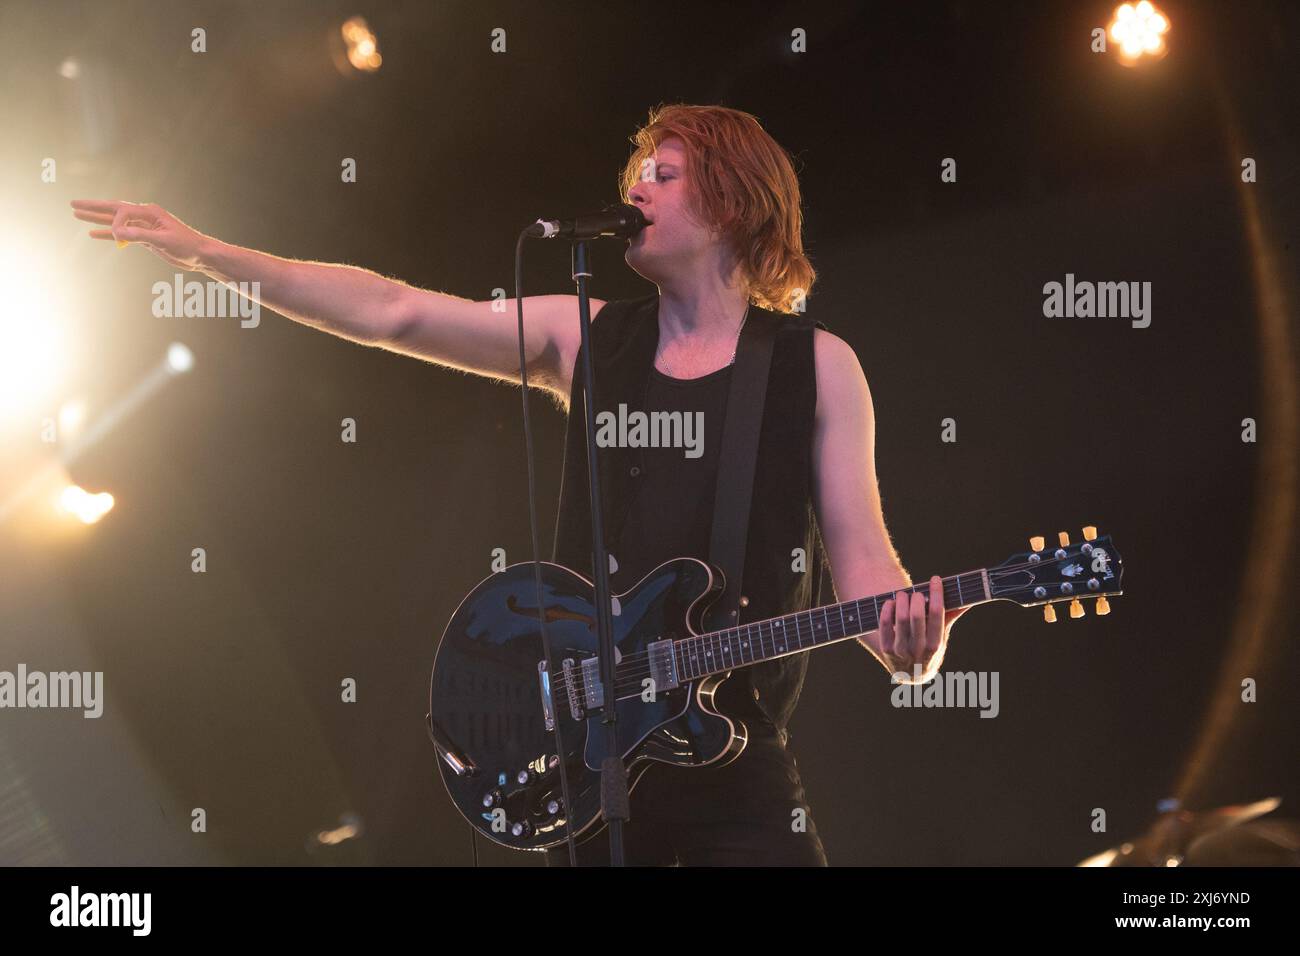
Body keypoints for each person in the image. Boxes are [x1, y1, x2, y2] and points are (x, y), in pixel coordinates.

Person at [71, 103, 968, 866]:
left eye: (663, 173)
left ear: (733, 200)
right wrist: (209, 255)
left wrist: (915, 644)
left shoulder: (818, 368)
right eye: (635, 173)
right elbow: (396, 310)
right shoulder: (585, 337)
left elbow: (867, 574)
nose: (634, 190)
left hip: (737, 772)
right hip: (590, 766)